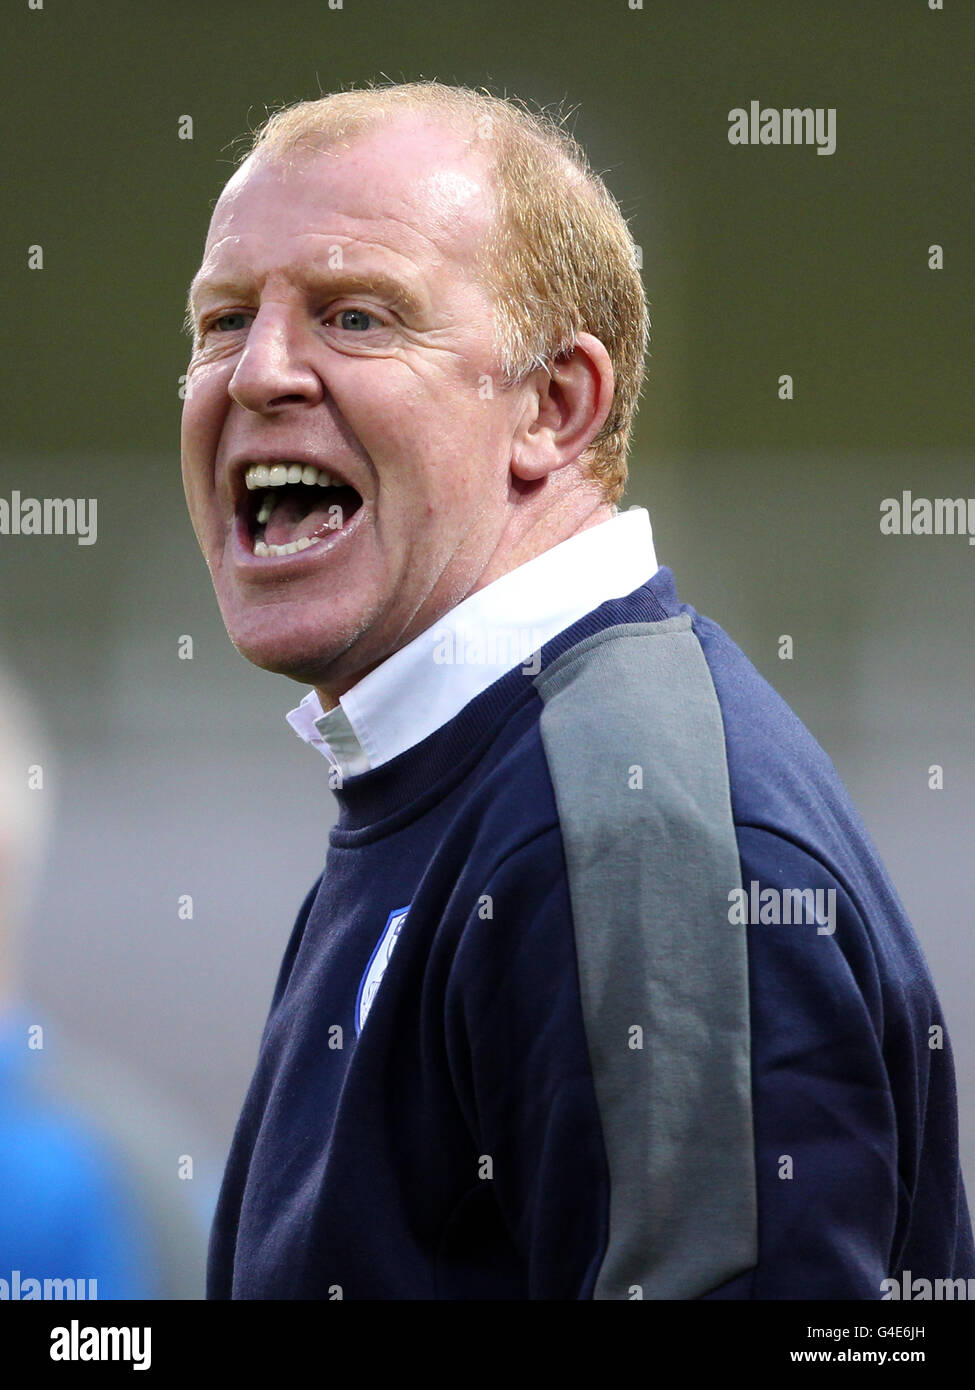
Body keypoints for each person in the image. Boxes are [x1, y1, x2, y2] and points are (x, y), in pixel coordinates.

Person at [181, 80, 974, 1300]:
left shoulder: (626, 831)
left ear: (553, 407)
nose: (258, 374)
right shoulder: (455, 772)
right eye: (224, 321)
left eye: (355, 316)